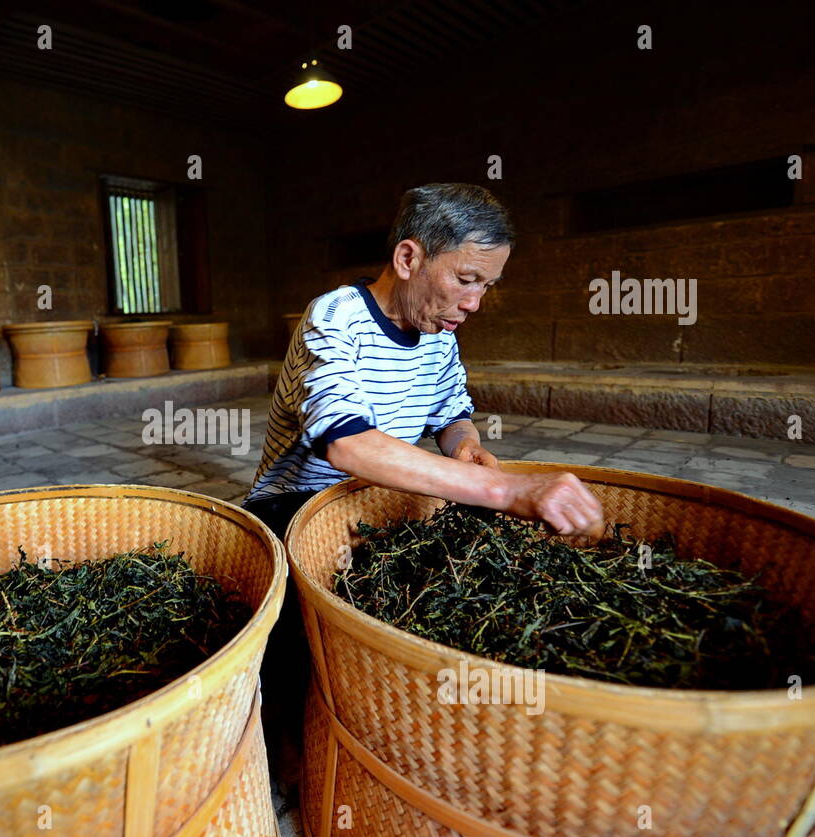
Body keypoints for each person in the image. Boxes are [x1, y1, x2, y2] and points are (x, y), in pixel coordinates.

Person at [243, 183, 605, 800]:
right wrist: (505, 488)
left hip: (384, 506)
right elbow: (348, 445)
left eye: (487, 285)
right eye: (466, 279)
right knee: (295, 639)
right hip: (295, 507)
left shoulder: (439, 333)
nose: (476, 302)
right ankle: (282, 744)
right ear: (409, 259)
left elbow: (452, 412)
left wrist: (463, 446)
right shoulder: (336, 318)